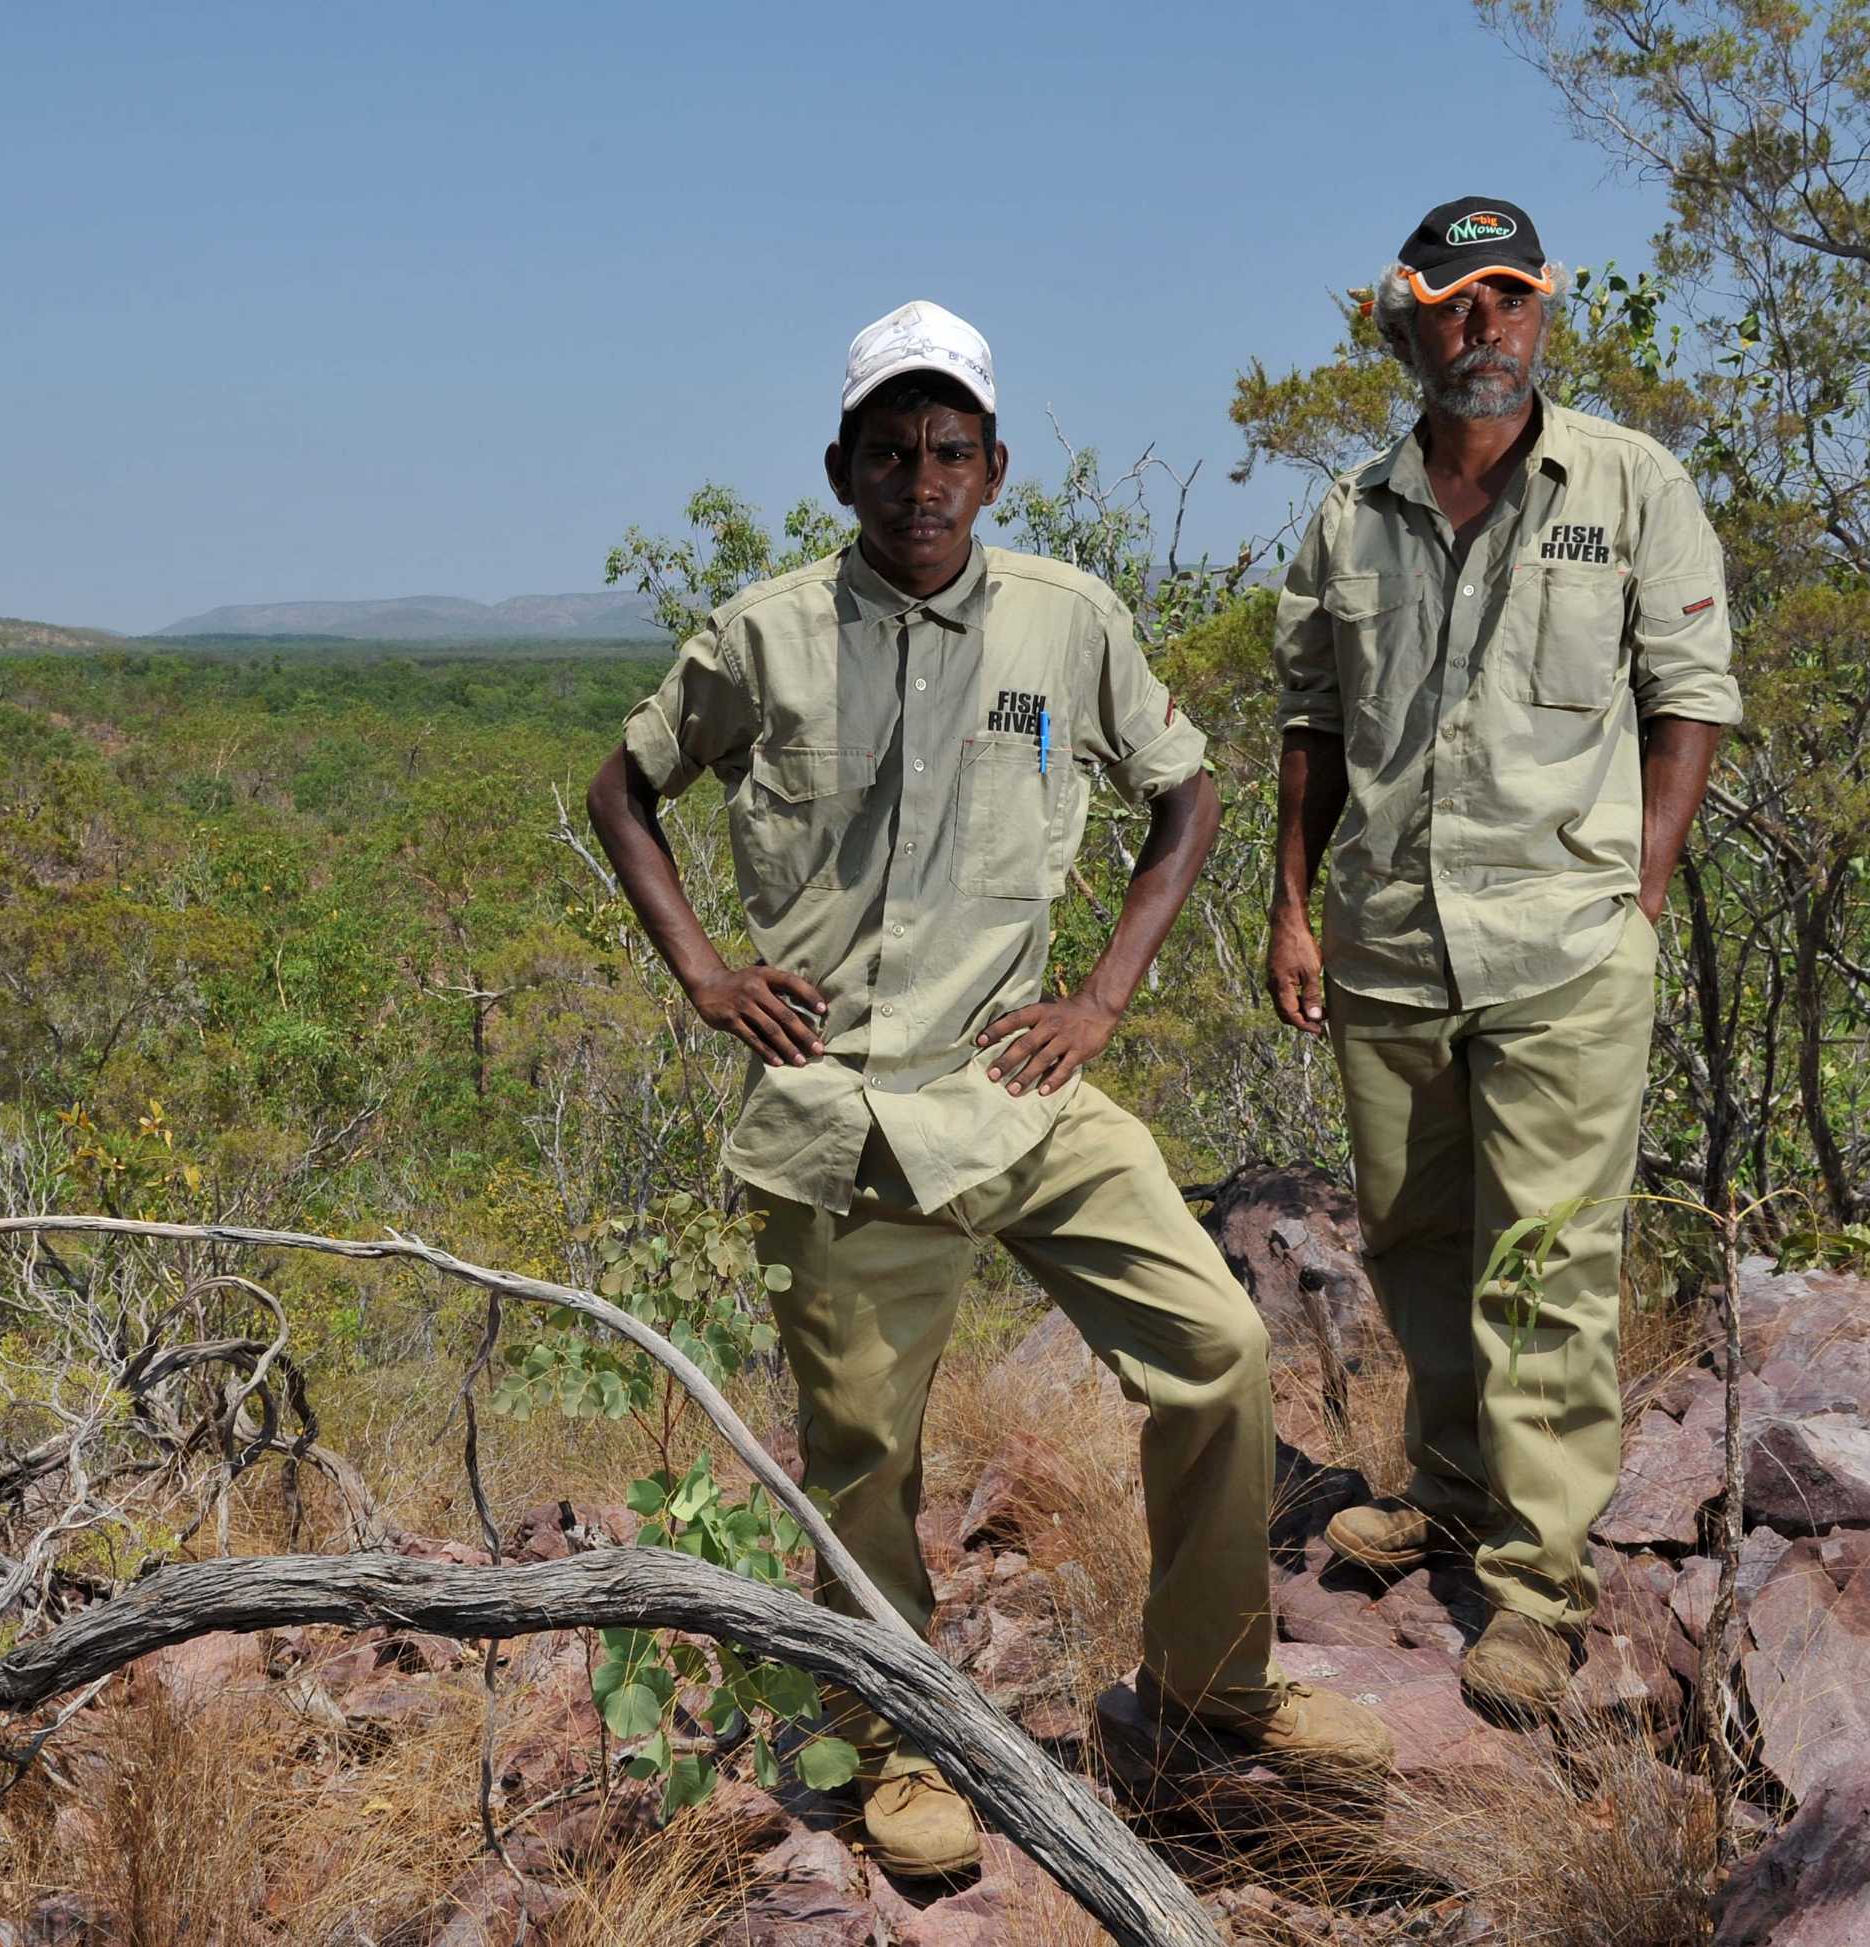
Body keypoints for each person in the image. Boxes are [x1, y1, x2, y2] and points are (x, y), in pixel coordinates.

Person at [591, 299, 1392, 1880]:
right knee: (866, 1462)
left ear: (996, 463)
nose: (923, 480)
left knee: (1218, 1351)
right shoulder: (765, 636)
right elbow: (623, 785)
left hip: (1024, 1090)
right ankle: (898, 1745)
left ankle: (1217, 1695)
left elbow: (1189, 791)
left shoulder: (1067, 619)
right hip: (845, 1108)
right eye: (890, 452)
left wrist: (1104, 996)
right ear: (843, 469)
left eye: (951, 448)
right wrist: (702, 973)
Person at [1265, 199, 1741, 1718]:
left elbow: (1691, 696)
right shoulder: (1350, 516)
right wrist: (1290, 907)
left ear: (1545, 310)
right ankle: (1455, 1490)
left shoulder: (1629, 484)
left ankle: (1538, 1585)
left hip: (1565, 949)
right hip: (1393, 948)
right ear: (1401, 319)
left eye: (1511, 297)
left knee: (1546, 1259)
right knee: (1414, 1240)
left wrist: (1639, 896)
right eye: (1455, 302)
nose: (1487, 328)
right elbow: (1312, 729)